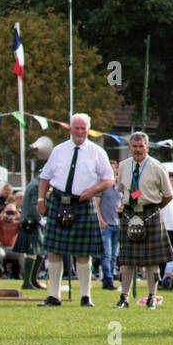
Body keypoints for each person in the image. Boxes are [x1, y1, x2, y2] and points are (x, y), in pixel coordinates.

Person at [37, 114, 114, 307]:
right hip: (58, 201)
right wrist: (41, 200)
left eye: (83, 128)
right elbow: (45, 177)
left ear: (88, 130)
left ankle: (86, 297)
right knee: (54, 251)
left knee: (83, 253)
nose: (80, 132)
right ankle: (54, 296)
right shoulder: (58, 150)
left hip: (82, 203)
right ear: (70, 129)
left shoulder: (97, 152)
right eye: (76, 128)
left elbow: (109, 179)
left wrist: (93, 190)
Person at [114, 133, 173, 310]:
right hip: (129, 214)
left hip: (151, 213)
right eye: (134, 146)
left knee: (152, 261)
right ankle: (124, 297)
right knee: (126, 260)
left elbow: (168, 195)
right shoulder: (124, 166)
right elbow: (121, 190)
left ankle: (151, 297)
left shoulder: (157, 167)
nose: (138, 150)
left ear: (147, 147)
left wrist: (154, 210)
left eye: (141, 146)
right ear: (129, 148)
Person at [96, 160, 121, 291]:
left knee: (114, 255)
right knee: (107, 254)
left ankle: (110, 278)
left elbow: (126, 201)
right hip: (105, 225)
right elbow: (96, 203)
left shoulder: (120, 186)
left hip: (117, 224)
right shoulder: (103, 185)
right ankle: (107, 280)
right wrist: (100, 220)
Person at [16, 174, 44, 290]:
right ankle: (27, 282)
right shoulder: (37, 186)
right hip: (31, 223)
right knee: (32, 252)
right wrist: (41, 219)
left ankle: (33, 280)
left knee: (40, 253)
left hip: (32, 222)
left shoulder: (35, 183)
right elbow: (33, 207)